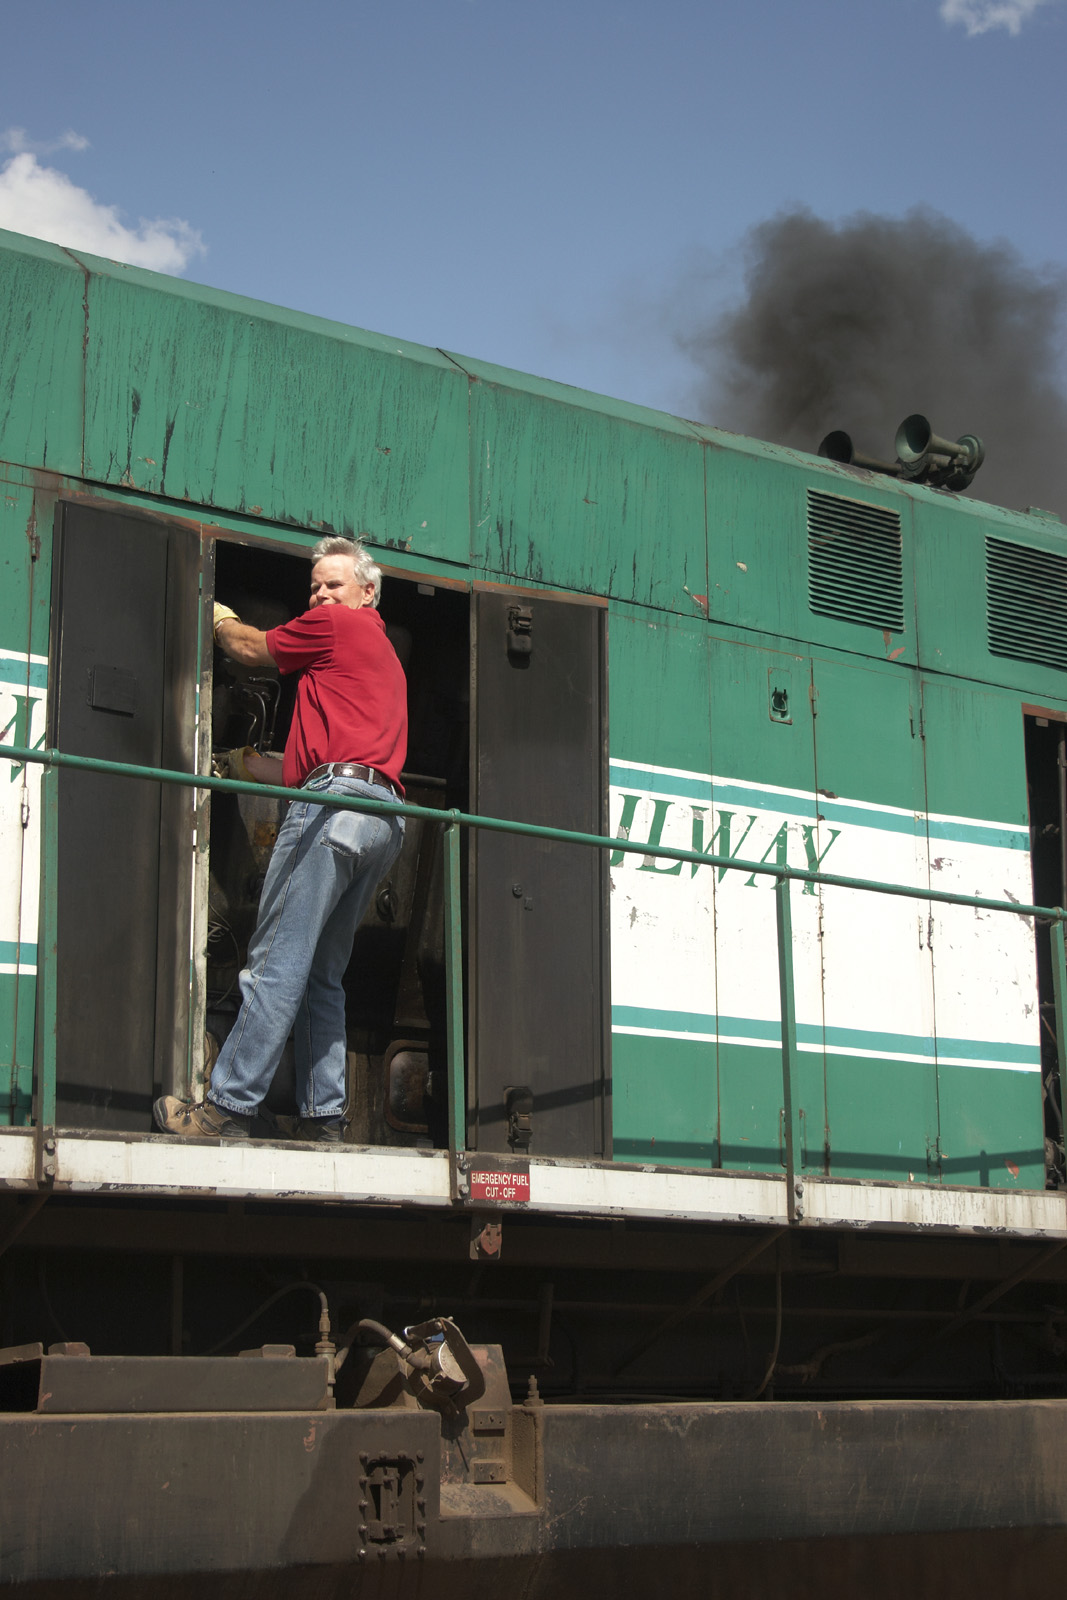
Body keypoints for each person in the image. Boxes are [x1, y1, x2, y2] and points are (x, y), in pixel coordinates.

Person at [154, 536, 407, 1144]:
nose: (319, 594)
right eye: (314, 586)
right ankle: (325, 1118)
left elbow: (248, 648)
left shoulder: (336, 628)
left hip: (333, 808)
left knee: (273, 963)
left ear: (366, 593)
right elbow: (295, 770)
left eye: (333, 583)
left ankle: (227, 1107)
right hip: (381, 818)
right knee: (323, 973)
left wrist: (214, 614)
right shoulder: (381, 658)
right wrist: (235, 762)